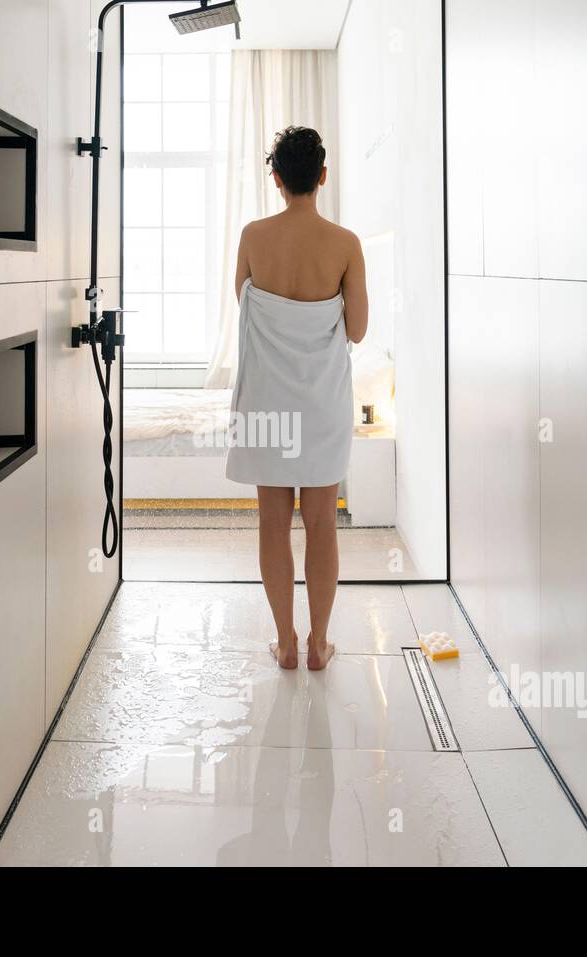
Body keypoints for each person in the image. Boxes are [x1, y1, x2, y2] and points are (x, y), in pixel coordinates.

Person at [226, 126, 369, 671]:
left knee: (272, 522)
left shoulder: (252, 236)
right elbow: (356, 330)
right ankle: (318, 643)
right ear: (323, 177)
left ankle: (284, 641)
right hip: (322, 405)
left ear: (277, 178)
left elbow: (244, 303)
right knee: (321, 522)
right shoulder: (346, 244)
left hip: (267, 403)